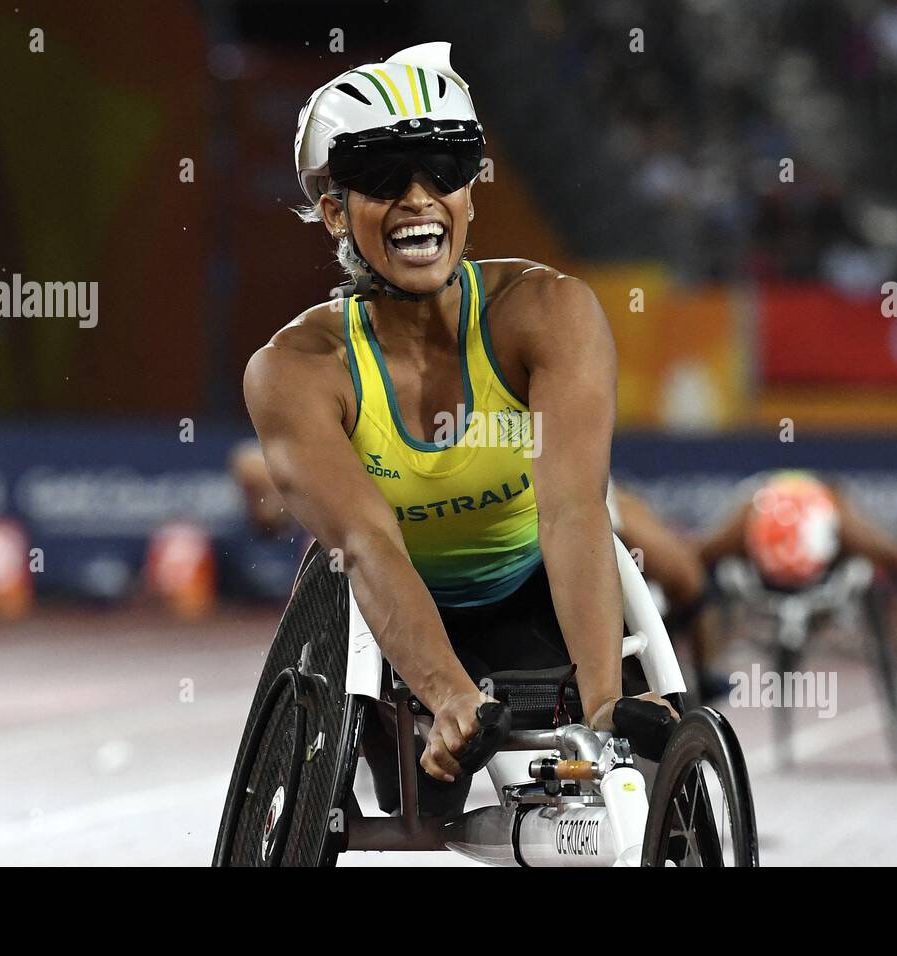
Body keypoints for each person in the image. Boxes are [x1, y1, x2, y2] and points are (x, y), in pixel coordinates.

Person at [243, 42, 673, 815]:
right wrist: (446, 695)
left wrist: (605, 708)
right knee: (426, 807)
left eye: (443, 169)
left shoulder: (548, 313)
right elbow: (367, 544)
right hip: (389, 620)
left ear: (471, 192)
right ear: (336, 211)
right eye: (382, 177)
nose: (418, 199)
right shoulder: (294, 370)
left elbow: (574, 511)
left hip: (532, 592)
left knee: (634, 767)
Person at [610, 470, 897, 699]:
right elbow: (690, 565)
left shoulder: (848, 528)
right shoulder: (739, 529)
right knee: (687, 583)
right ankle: (706, 672)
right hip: (760, 503)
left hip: (820, 501)